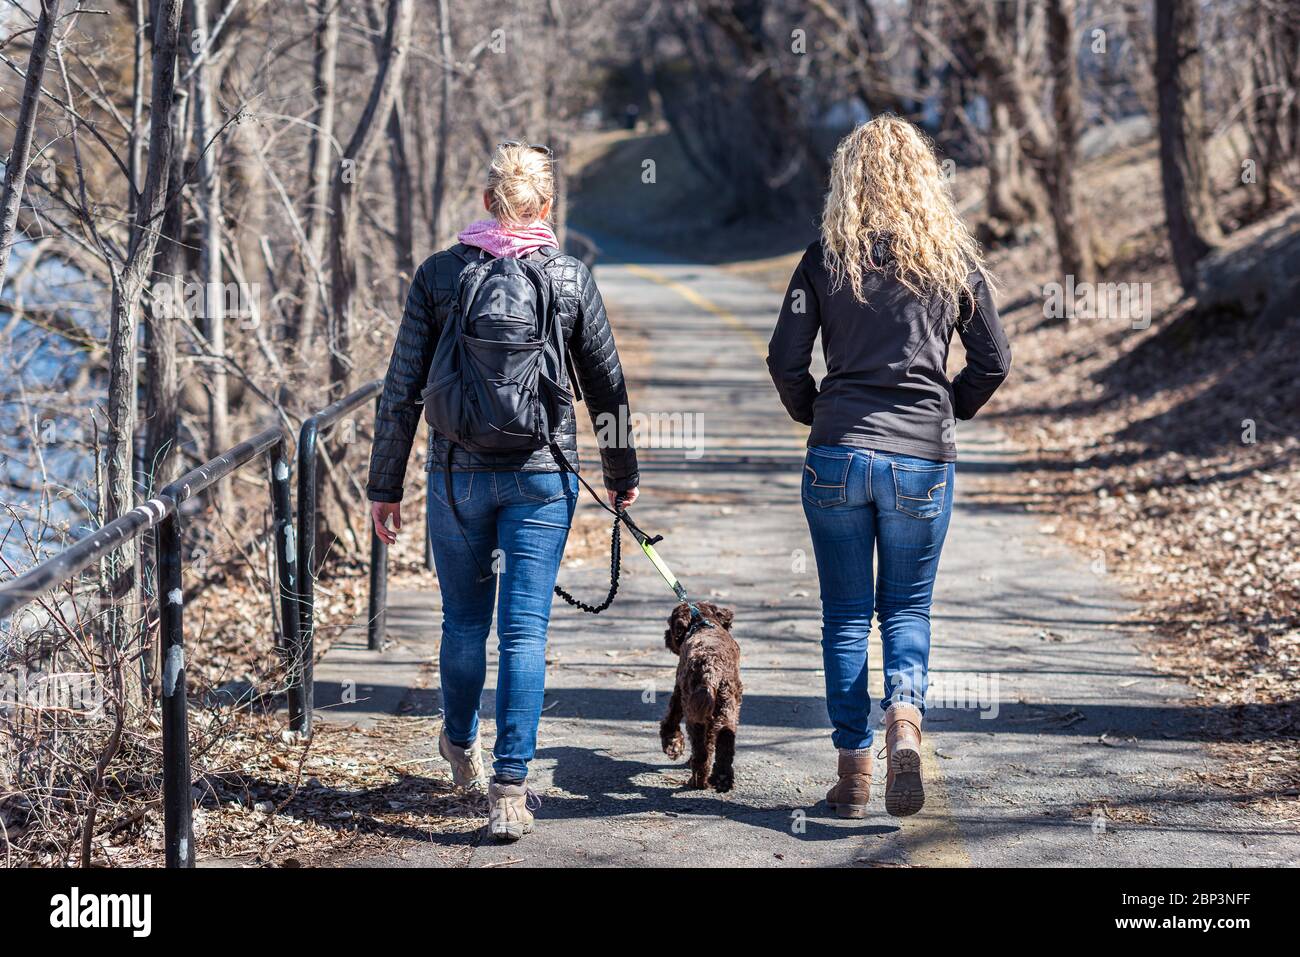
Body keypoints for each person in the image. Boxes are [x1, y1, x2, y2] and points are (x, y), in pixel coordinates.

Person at [367, 142, 639, 840]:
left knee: (463, 623)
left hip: (457, 476)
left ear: (486, 202)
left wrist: (384, 485)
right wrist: (621, 473)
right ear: (544, 207)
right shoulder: (569, 277)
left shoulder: (438, 275)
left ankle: (459, 743)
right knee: (525, 631)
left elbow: (401, 390)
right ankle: (510, 789)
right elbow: (607, 386)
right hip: (543, 476)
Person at [766, 116, 1011, 818]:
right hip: (922, 457)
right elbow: (994, 359)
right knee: (906, 607)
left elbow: (785, 359)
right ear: (925, 179)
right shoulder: (949, 258)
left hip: (838, 453)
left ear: (848, 179)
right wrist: (946, 409)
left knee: (845, 617)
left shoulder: (824, 256)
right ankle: (904, 719)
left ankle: (853, 776)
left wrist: (818, 414)